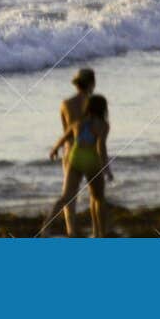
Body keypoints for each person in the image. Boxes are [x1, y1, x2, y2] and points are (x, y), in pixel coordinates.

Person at [46, 68, 96, 233]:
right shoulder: (93, 104)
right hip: (89, 151)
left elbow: (66, 131)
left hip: (70, 150)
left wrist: (56, 148)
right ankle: (98, 231)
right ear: (91, 83)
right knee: (95, 194)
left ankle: (69, 230)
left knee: (68, 195)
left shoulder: (65, 104)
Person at [58, 94, 111, 237]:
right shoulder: (103, 125)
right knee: (99, 199)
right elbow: (101, 147)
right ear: (103, 109)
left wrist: (55, 149)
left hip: (75, 160)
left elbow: (65, 137)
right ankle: (101, 233)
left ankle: (94, 231)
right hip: (93, 163)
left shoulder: (78, 123)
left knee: (89, 197)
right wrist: (107, 168)